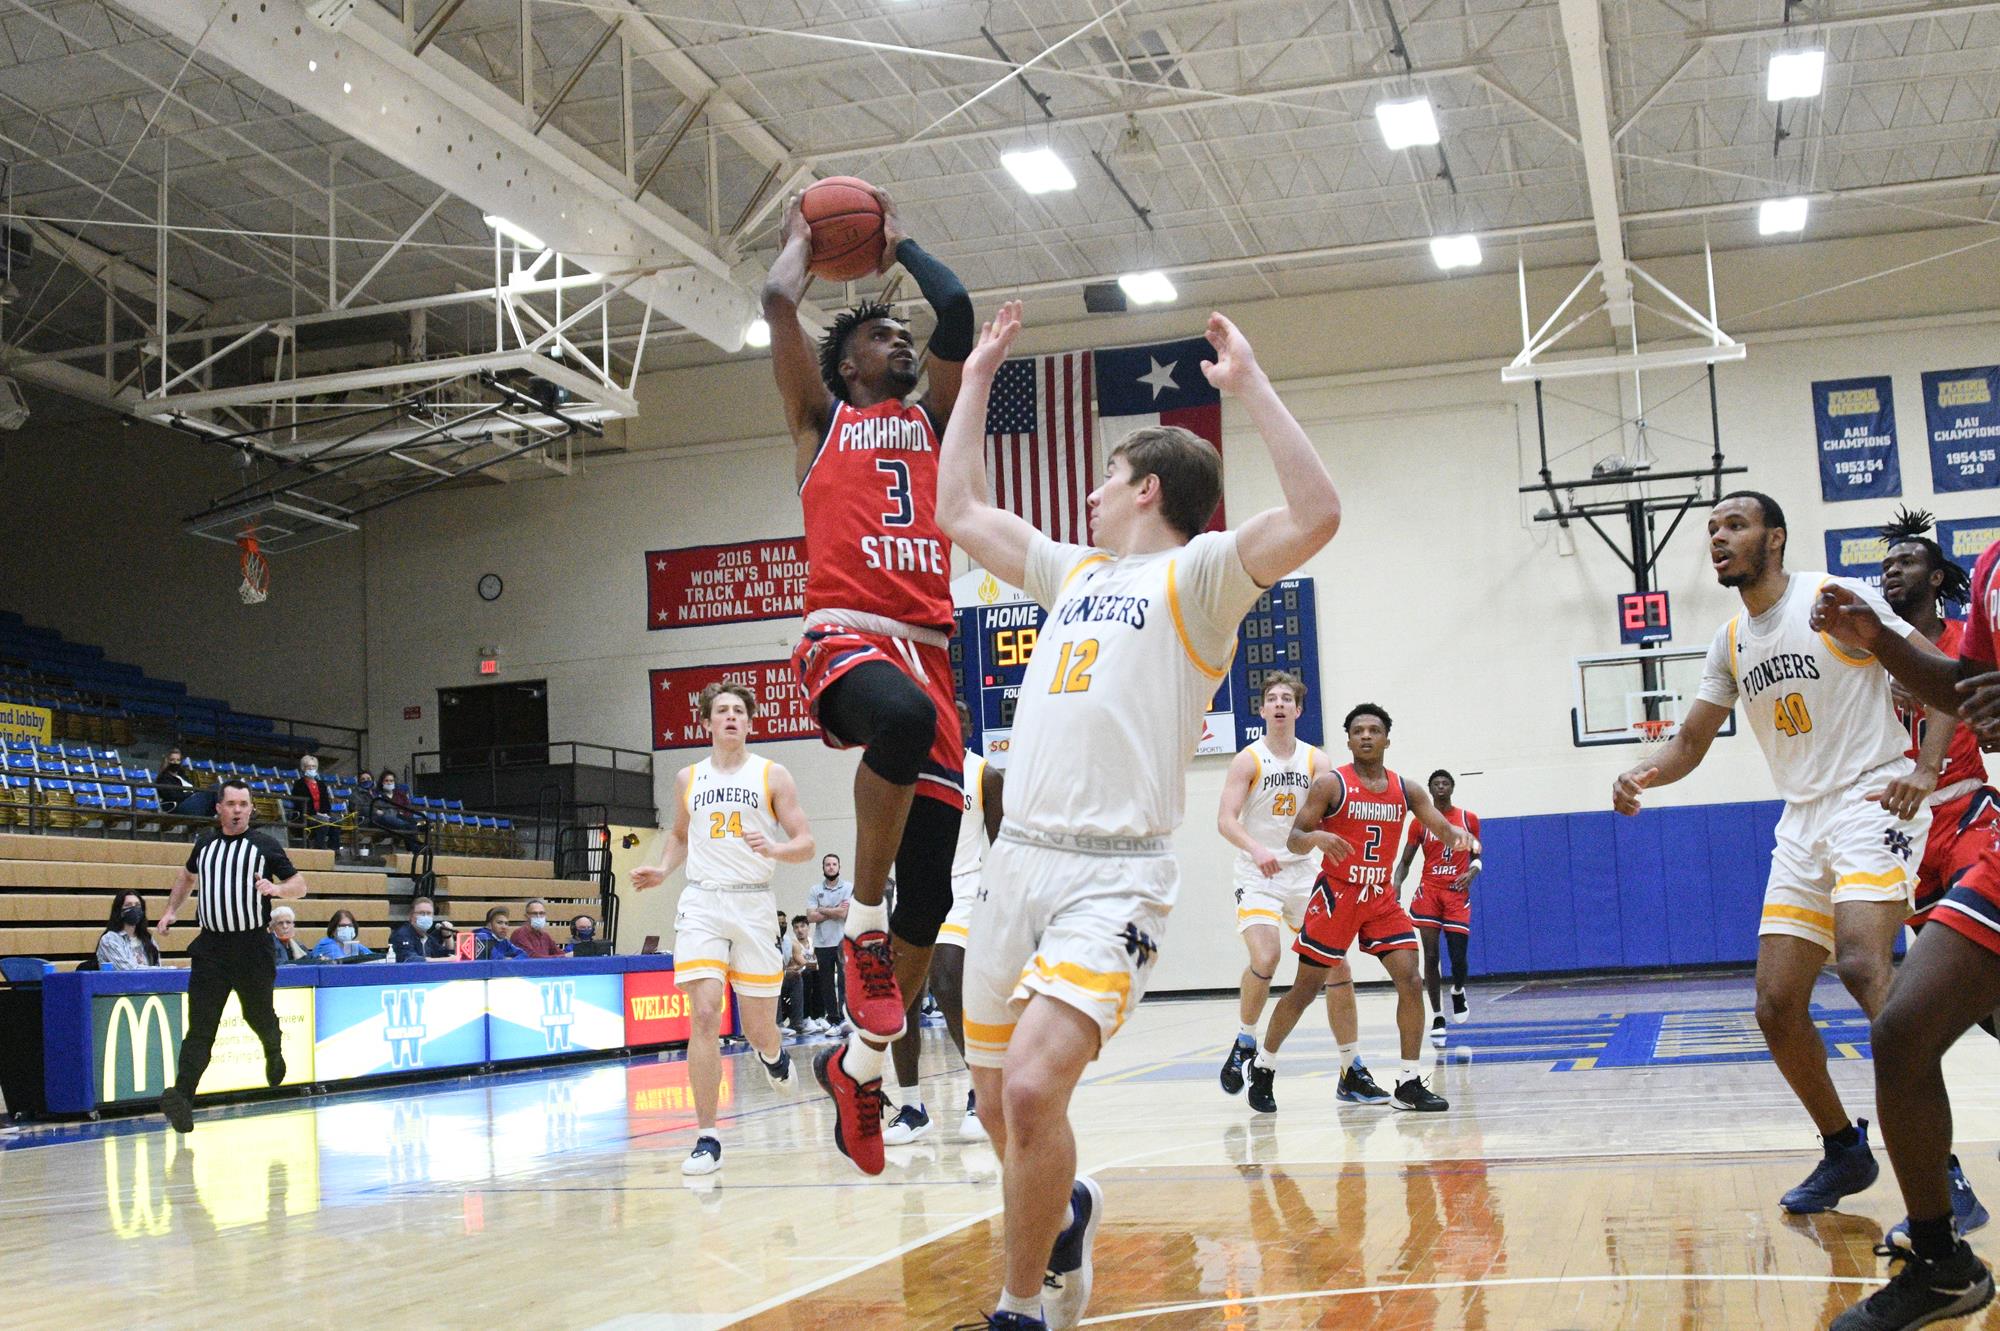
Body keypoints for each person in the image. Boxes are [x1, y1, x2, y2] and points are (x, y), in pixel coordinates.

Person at [935, 302, 1342, 1330]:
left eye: (1106, 475)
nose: (1090, 488)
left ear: (1146, 486)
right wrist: (977, 375)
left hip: (1113, 873)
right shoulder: (1071, 569)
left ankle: (1020, 1306)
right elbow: (955, 510)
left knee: (1031, 1090)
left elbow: (1316, 513)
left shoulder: (1196, 575)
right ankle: (1064, 1210)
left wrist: (1245, 387)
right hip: (1012, 864)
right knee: (997, 1108)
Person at [1613, 491, 1933, 1219]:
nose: (1719, 539)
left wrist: (1926, 769)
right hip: (1802, 820)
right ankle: (1843, 1148)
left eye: (1735, 525)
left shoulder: (1830, 597)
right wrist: (1643, 771)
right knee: (1775, 1005)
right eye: (1713, 530)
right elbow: (1690, 742)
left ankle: (1934, 1157)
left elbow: (1932, 671)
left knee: (1860, 963)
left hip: (1870, 797)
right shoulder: (1730, 640)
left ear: (1775, 538)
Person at [764, 186, 975, 1162]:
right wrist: (802, 249)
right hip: (846, 633)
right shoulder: (817, 425)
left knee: (927, 898)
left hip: (932, 653)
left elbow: (959, 316)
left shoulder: (927, 421)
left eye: (901, 334)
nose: (899, 342)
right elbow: (776, 305)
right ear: (843, 362)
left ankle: (854, 1065)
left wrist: (905, 242)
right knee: (887, 718)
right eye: (881, 335)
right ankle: (856, 927)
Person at [1813, 540, 2000, 1330]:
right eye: (1882, 562)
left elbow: (1950, 709)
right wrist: (1877, 639)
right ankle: (1940, 1256)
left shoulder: (1958, 612)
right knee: (1903, 1027)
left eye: (1907, 561)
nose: (1891, 570)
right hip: (1915, 831)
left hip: (1962, 811)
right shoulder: (1994, 567)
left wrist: (1925, 768)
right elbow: (1965, 690)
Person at [631, 681, 815, 1175]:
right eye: (722, 711)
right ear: (707, 723)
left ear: (749, 722)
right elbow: (677, 835)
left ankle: (772, 1054)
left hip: (754, 905)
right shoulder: (688, 777)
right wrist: (662, 870)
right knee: (707, 1013)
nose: (731, 717)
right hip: (704, 902)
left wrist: (774, 849)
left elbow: (805, 843)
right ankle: (707, 1136)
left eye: (739, 711)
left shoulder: (772, 774)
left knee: (758, 1029)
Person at [1249, 704, 1466, 1117]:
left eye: (1375, 730)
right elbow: (1295, 837)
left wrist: (1454, 834)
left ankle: (1407, 1081)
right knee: (1305, 990)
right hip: (1337, 895)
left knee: (1410, 977)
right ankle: (1264, 1065)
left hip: (1380, 897)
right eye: (1358, 730)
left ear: (1387, 738)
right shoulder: (1331, 785)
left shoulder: (1407, 789)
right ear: (1348, 740)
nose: (1366, 736)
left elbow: (1437, 824)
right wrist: (1317, 839)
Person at [153, 778, 308, 1133]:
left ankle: (273, 1046)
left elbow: (300, 885)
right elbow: (186, 877)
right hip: (211, 949)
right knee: (201, 1028)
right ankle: (182, 1097)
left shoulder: (265, 845)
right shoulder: (204, 844)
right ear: (219, 808)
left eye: (244, 804)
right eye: (232, 804)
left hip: (253, 947)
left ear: (251, 809)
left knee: (258, 1014)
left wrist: (277, 888)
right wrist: (171, 911)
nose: (238, 810)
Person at [886, 699, 1006, 1145]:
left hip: (965, 889)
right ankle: (913, 1106)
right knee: (902, 1000)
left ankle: (980, 1092)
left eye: (959, 718)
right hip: (914, 888)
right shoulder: (908, 773)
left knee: (947, 978)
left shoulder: (984, 775)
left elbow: (1004, 846)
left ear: (970, 725)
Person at [1215, 673, 1328, 1096]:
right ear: (1262, 710)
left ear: (1298, 710)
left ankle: (1350, 1065)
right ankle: (1245, 1037)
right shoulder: (1248, 760)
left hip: (1303, 870)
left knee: (1336, 967)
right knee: (1267, 955)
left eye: (1287, 699)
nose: (1279, 704)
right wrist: (1256, 848)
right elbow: (1226, 820)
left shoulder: (1317, 761)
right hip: (1258, 871)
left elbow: (1332, 815)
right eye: (1271, 699)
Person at [1394, 769, 1483, 1047]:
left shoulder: (1468, 819)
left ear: (1452, 788)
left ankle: (1457, 989)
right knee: (1430, 957)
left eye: (1445, 783)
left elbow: (1478, 855)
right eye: (1436, 784)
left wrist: (1473, 871)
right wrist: (1395, 884)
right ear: (1430, 790)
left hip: (1456, 892)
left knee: (1458, 958)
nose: (1441, 787)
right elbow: (1405, 860)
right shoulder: (1420, 822)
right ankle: (1437, 1015)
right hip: (1430, 891)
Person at [807, 855, 853, 1029]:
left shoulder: (848, 887)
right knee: (826, 983)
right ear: (823, 867)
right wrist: (835, 910)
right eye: (828, 864)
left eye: (834, 864)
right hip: (822, 943)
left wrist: (822, 909)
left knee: (844, 981)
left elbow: (844, 914)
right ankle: (832, 1018)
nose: (831, 867)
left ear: (839, 867)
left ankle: (844, 1017)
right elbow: (810, 916)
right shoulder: (815, 889)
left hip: (843, 942)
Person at [96, 891, 160, 970]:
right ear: (119, 911)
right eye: (128, 905)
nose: (134, 909)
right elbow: (127, 970)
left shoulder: (148, 939)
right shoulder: (110, 939)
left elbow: (158, 969)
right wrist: (166, 969)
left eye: (137, 905)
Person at [289, 755, 339, 852]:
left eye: (314, 766)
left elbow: (326, 803)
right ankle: (319, 849)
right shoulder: (299, 784)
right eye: (309, 766)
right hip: (306, 815)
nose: (311, 769)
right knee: (323, 821)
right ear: (304, 768)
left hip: (321, 814)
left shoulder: (321, 784)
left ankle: (335, 850)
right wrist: (316, 814)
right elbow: (299, 803)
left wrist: (324, 813)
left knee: (336, 821)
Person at [370, 770, 427, 853]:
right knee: (409, 827)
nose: (389, 783)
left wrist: (402, 814)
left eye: (391, 781)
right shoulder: (377, 794)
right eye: (386, 781)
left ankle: (414, 845)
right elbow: (378, 809)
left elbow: (408, 809)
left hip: (402, 819)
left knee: (408, 824)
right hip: (385, 821)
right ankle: (416, 835)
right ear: (382, 782)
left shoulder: (401, 795)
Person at [155, 748, 216, 820]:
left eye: (178, 760)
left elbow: (194, 789)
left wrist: (195, 793)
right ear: (167, 761)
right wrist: (191, 795)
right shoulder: (163, 778)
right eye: (172, 760)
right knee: (215, 788)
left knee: (216, 791)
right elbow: (173, 796)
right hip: (179, 807)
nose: (175, 762)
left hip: (193, 803)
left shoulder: (183, 776)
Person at [389, 896, 452, 961]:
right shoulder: (402, 935)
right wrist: (448, 959)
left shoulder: (428, 939)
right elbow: (412, 960)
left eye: (429, 913)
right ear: (411, 915)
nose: (425, 916)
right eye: (421, 913)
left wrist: (447, 936)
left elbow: (448, 954)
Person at [311, 909, 376, 960]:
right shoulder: (327, 944)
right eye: (342, 926)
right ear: (333, 929)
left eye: (350, 926)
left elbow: (375, 959)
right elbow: (341, 966)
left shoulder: (352, 945)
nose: (347, 929)